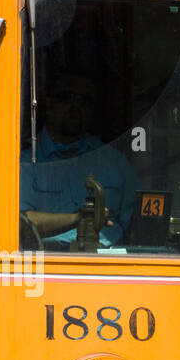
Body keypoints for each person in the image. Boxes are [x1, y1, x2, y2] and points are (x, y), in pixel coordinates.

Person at [20, 71, 137, 249]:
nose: (75, 106)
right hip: (48, 264)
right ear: (49, 102)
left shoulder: (115, 161)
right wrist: (79, 218)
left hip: (110, 265)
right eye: (65, 98)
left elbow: (135, 224)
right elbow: (20, 223)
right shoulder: (25, 162)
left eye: (85, 101)